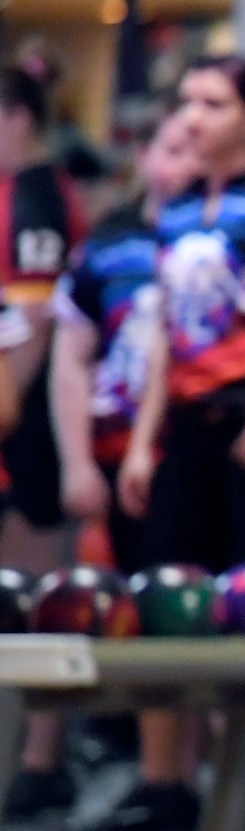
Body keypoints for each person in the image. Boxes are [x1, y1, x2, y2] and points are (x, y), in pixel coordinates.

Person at [105, 56, 245, 831]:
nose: (192, 117)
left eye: (212, 102)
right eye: (186, 101)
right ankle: (164, 779)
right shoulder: (178, 207)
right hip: (185, 420)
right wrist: (143, 442)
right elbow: (163, 335)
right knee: (163, 594)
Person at [10, 112, 200, 827]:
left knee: (186, 605)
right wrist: (78, 458)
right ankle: (160, 777)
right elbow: (69, 354)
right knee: (136, 605)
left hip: (196, 448)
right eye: (169, 146)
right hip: (120, 449)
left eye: (191, 146)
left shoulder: (218, 236)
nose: (180, 161)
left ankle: (187, 770)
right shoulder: (112, 240)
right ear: (142, 155)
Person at [0, 64, 88, 574]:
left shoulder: (35, 197)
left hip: (30, 408)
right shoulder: (20, 188)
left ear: (19, 118)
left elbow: (36, 318)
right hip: (20, 399)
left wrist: (4, 410)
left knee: (26, 555)